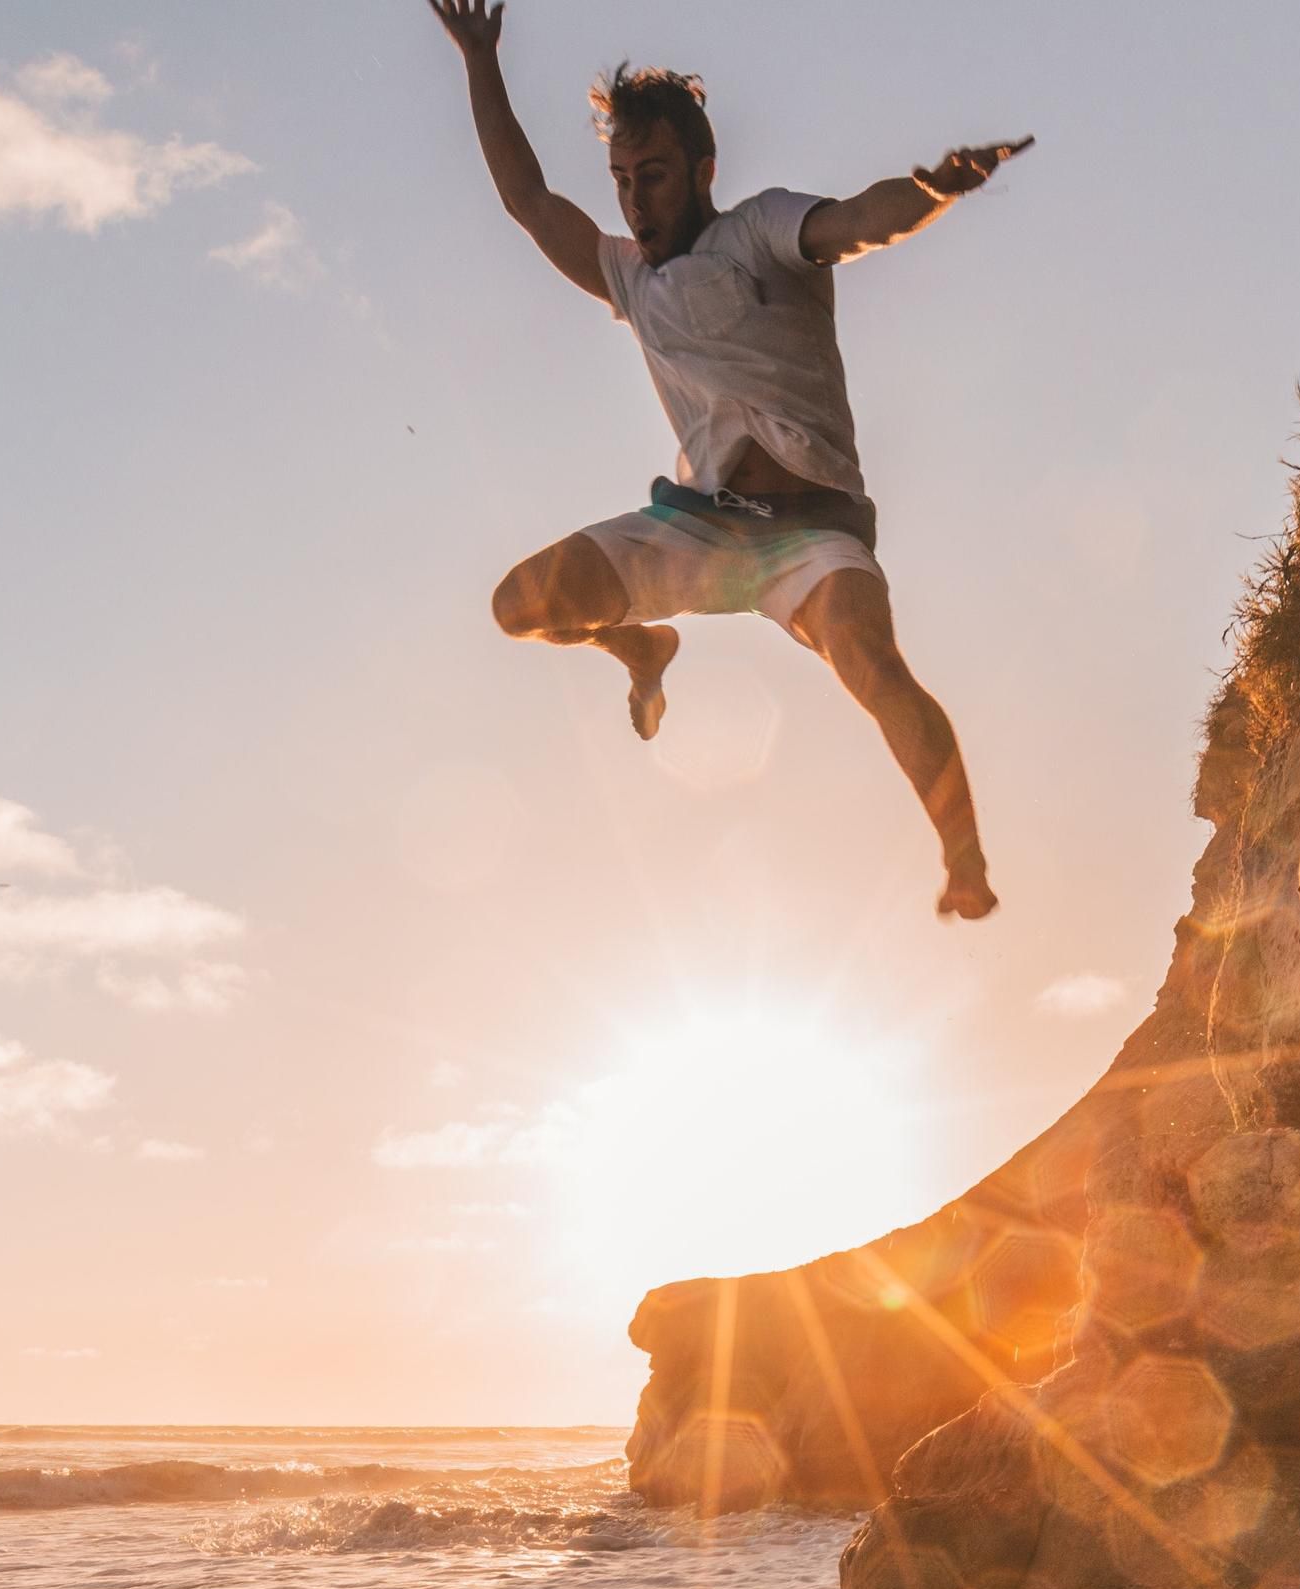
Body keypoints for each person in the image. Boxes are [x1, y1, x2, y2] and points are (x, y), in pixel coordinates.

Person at [429, 0, 1028, 920]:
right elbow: (527, 201)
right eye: (623, 179)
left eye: (656, 176)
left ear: (703, 170)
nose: (635, 200)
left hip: (813, 531)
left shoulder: (762, 229)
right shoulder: (628, 274)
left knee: (872, 663)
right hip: (696, 525)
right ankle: (642, 645)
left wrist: (936, 189)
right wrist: (480, 59)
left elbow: (860, 222)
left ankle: (965, 861)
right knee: (519, 605)